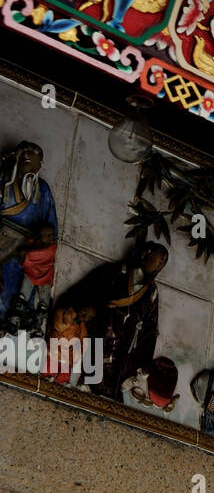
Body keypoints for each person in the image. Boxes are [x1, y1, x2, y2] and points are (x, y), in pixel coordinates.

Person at [62, 242, 169, 402]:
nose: (160, 264)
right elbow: (87, 290)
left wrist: (144, 365)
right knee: (88, 383)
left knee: (112, 391)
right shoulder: (115, 272)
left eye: (163, 263)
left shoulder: (151, 292)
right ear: (145, 253)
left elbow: (150, 330)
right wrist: (89, 310)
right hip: (100, 334)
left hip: (123, 347)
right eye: (158, 259)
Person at [0, 141, 59, 332]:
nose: (33, 169)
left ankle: (9, 324)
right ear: (16, 161)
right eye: (28, 162)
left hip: (29, 253)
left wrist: (41, 252)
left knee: (18, 293)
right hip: (3, 243)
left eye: (37, 165)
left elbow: (52, 230)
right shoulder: (3, 181)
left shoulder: (42, 190)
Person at [17, 224, 57, 334]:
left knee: (44, 304)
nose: (51, 237)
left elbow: (39, 254)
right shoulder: (34, 242)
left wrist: (25, 253)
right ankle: (15, 319)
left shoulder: (52, 247)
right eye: (47, 235)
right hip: (31, 274)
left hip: (45, 276)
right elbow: (27, 246)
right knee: (21, 297)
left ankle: (37, 326)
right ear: (39, 236)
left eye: (52, 235)